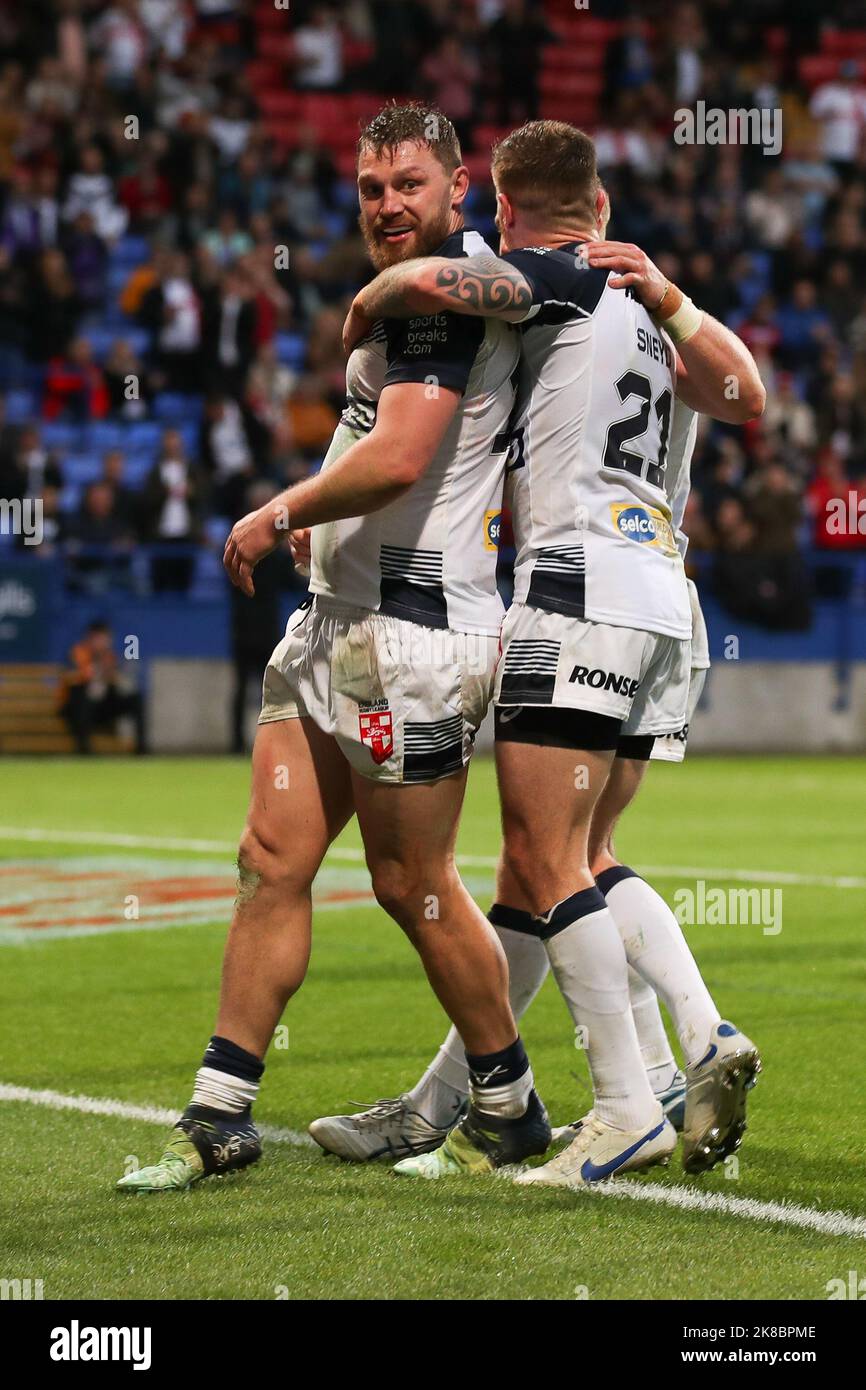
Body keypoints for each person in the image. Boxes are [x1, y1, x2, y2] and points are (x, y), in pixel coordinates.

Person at [117, 104, 551, 1194]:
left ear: (457, 189)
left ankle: (506, 1099)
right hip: (331, 628)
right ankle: (220, 1112)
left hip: (409, 642)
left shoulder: (439, 295)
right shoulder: (419, 294)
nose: (387, 204)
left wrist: (279, 506)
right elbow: (378, 438)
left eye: (408, 183)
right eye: (370, 188)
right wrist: (323, 516)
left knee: (413, 885)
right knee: (271, 861)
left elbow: (403, 455)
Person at [328, 119, 765, 1185]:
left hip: (574, 591)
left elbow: (458, 284)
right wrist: (670, 291)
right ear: (605, 205)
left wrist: (382, 293)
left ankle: (622, 1103)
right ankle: (679, 1050)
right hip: (665, 598)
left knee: (540, 857)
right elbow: (747, 395)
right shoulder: (655, 312)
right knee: (579, 856)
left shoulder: (552, 279)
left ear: (508, 214)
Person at [57, 620, 146, 755]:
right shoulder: (77, 653)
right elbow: (69, 677)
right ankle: (84, 750)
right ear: (90, 638)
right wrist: (90, 675)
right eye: (100, 638)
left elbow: (115, 681)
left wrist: (114, 678)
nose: (104, 642)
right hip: (77, 708)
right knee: (81, 696)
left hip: (102, 707)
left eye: (107, 638)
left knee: (135, 698)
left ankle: (141, 749)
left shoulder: (109, 656)